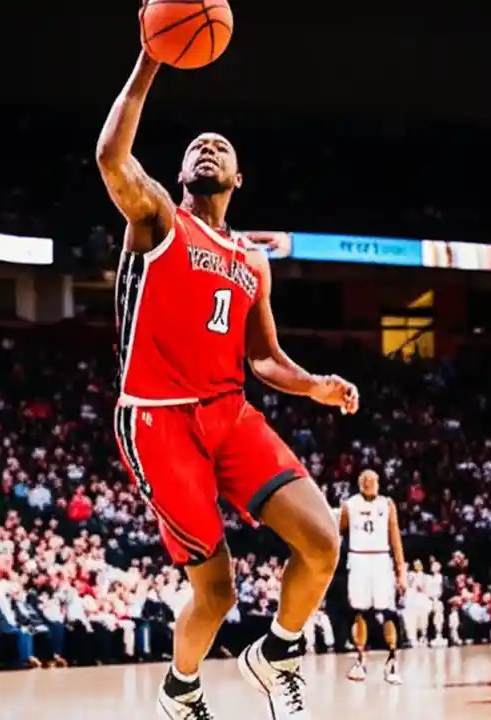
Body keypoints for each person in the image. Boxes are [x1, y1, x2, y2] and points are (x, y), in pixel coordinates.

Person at [96, 50, 359, 720]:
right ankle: (180, 690)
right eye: (197, 146)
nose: (208, 147)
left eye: (221, 147)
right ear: (182, 174)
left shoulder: (253, 260)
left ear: (238, 177)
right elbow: (110, 159)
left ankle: (276, 654)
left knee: (323, 541)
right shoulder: (157, 217)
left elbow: (264, 358)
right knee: (217, 594)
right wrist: (150, 59)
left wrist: (314, 385)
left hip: (229, 412)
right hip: (157, 420)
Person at [340, 470, 405, 685]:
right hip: (358, 560)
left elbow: (395, 540)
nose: (369, 483)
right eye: (365, 480)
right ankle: (361, 660)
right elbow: (337, 531)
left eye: (373, 480)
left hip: (380, 559)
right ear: (360, 484)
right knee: (359, 612)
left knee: (387, 611)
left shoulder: (387, 504)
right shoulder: (349, 505)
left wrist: (401, 572)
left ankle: (393, 659)